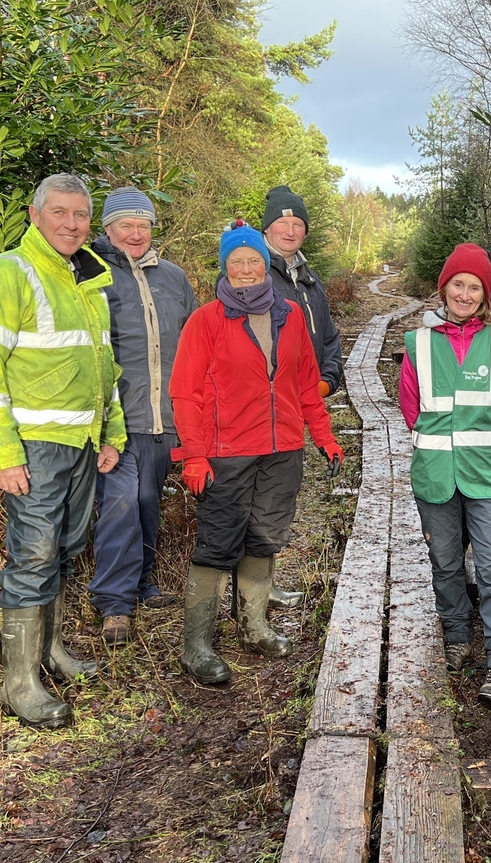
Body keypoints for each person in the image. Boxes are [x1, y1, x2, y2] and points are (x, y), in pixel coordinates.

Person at [0, 173, 125, 729]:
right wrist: (2, 453)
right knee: (31, 555)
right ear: (35, 215)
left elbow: (104, 368)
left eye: (80, 215)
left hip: (80, 443)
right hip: (33, 446)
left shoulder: (88, 280)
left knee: (65, 546)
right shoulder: (5, 274)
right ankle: (19, 684)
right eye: (59, 213)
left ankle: (48, 653)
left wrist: (111, 433)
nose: (71, 224)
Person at [168, 223, 344, 685]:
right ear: (224, 267)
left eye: (253, 261)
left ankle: (255, 624)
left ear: (265, 265)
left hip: (282, 448)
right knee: (217, 542)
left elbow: (307, 384)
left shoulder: (288, 314)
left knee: (265, 536)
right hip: (225, 452)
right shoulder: (206, 321)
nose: (245, 270)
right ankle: (197, 644)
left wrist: (323, 436)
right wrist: (194, 455)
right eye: (236, 262)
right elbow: (185, 393)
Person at [398, 244, 491, 705]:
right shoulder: (419, 343)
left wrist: (481, 444)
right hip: (436, 473)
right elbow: (411, 407)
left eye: (475, 287)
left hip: (487, 474)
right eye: (459, 284)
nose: (466, 293)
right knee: (446, 563)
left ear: (485, 295)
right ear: (444, 288)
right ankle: (456, 636)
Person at [87, 187, 201, 647]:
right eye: (126, 225)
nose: (135, 234)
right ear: (108, 229)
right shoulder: (91, 273)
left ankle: (143, 583)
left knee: (148, 502)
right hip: (117, 416)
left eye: (143, 225)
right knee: (119, 505)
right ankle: (114, 603)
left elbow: (195, 342)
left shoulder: (173, 277)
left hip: (166, 415)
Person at [261, 185, 345, 609]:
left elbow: (329, 341)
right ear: (267, 227)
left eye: (297, 223)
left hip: (301, 405)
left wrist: (325, 384)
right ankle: (253, 588)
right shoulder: (254, 271)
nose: (290, 229)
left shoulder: (309, 280)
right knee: (260, 498)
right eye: (282, 222)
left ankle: (265, 582)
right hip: (265, 407)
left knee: (281, 496)